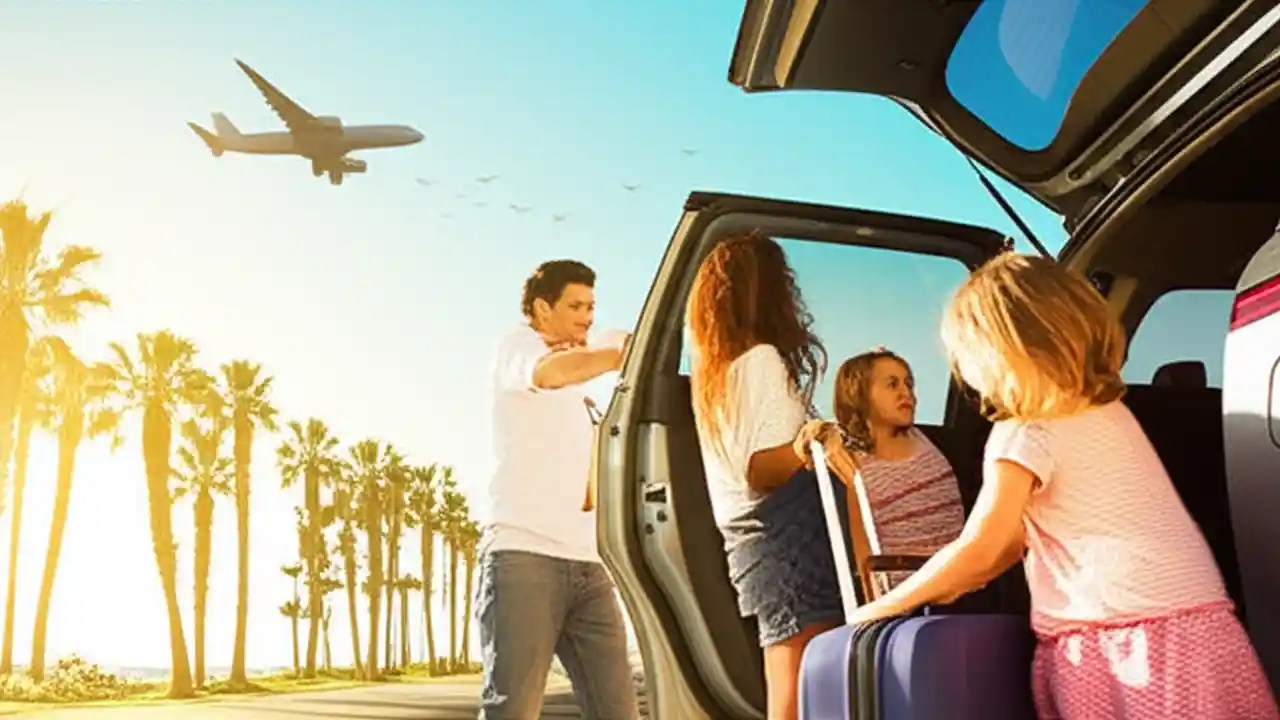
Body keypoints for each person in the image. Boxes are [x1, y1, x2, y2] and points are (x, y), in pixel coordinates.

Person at [841, 252, 1278, 719]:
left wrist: (883, 607)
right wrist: (953, 583)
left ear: (994, 354)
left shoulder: (1026, 432)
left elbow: (984, 549)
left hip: (1121, 649)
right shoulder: (1109, 414)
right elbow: (1010, 545)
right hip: (1206, 633)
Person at [686, 230, 849, 720]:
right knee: (803, 687)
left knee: (794, 683)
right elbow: (760, 467)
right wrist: (812, 441)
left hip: (757, 544)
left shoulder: (718, 374)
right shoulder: (760, 361)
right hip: (783, 536)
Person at [475, 259, 638, 720]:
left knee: (619, 712)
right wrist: (616, 356)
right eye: (576, 306)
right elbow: (550, 373)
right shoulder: (519, 348)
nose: (587, 316)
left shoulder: (583, 374)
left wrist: (630, 345)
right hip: (522, 558)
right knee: (513, 711)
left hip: (589, 566)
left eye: (591, 306)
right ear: (542, 309)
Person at [823, 347, 964, 592]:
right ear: (860, 394)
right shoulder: (854, 466)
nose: (906, 392)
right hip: (907, 598)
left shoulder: (922, 439)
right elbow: (864, 557)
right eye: (892, 384)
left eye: (909, 384)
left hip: (962, 585)